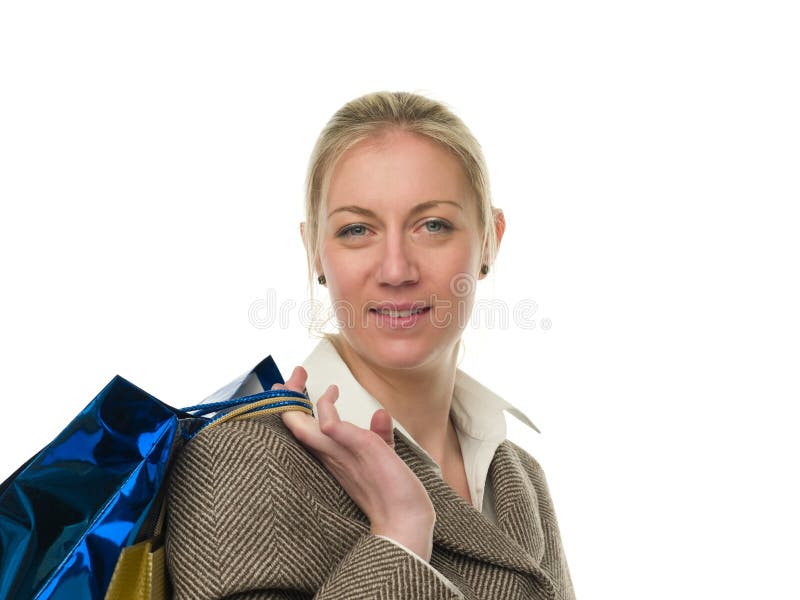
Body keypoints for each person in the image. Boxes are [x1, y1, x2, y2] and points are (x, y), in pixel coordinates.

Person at [165, 91, 575, 599]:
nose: (396, 270)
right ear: (314, 250)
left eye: (433, 226)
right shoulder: (242, 455)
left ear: (491, 240)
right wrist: (399, 536)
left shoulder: (518, 479)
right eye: (357, 230)